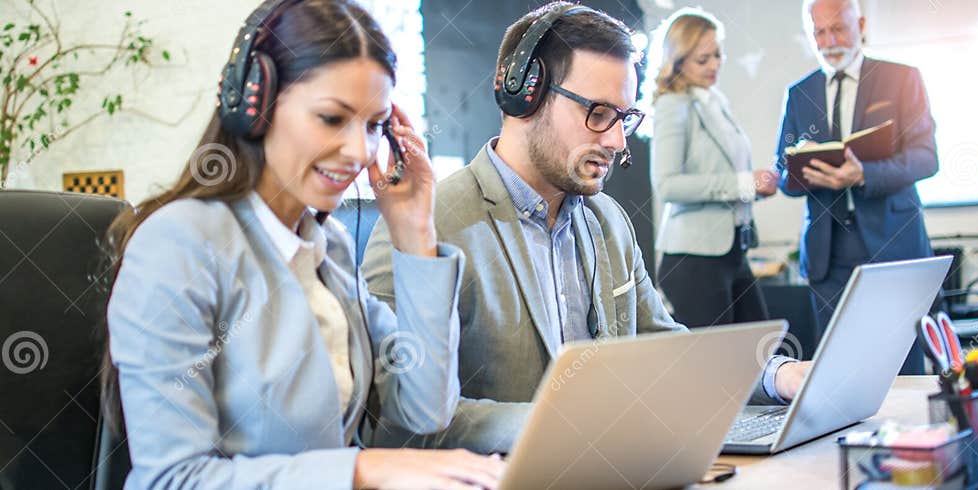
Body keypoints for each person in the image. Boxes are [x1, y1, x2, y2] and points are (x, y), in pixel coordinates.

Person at [361, 2, 810, 455]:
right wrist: (562, 425)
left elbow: (662, 347)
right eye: (598, 113)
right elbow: (394, 419)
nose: (617, 141)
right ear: (525, 95)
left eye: (625, 118)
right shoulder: (421, 226)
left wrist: (775, 376)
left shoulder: (608, 221)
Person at [101, 1, 504, 488]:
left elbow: (426, 408)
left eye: (375, 125)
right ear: (254, 103)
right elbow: (172, 479)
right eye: (333, 119)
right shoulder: (178, 243)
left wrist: (414, 232)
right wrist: (361, 469)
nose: (360, 152)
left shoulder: (325, 247)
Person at [775, 0, 936, 373]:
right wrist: (803, 168)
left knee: (902, 364)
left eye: (839, 29)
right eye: (819, 32)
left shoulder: (901, 78)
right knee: (839, 369)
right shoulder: (800, 93)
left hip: (893, 244)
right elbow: (784, 175)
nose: (829, 40)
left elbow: (926, 158)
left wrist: (862, 174)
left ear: (860, 24)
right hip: (827, 255)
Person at [651, 7, 778, 328]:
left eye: (718, 55)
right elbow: (667, 185)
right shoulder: (672, 105)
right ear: (677, 61)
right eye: (703, 59)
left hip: (733, 250)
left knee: (759, 350)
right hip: (694, 258)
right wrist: (742, 183)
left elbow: (730, 176)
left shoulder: (715, 100)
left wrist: (756, 185)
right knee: (715, 367)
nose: (715, 65)